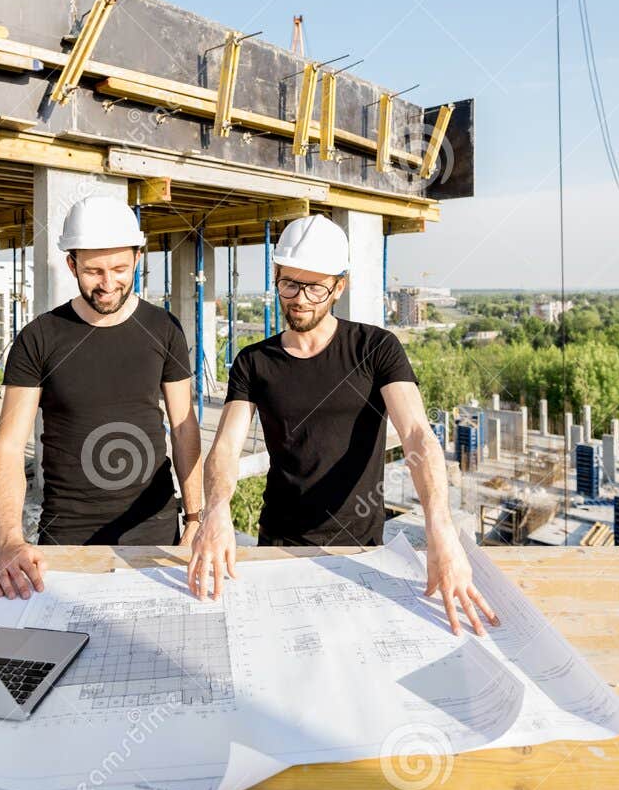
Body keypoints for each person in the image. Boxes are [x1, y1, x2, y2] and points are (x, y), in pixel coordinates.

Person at [188, 214, 499, 636]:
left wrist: (439, 527)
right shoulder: (254, 362)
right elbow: (225, 448)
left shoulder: (376, 349)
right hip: (279, 546)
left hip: (361, 549)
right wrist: (217, 510)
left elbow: (417, 436)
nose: (300, 299)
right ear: (276, 277)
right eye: (290, 284)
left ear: (339, 286)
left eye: (316, 287)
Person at [0, 196, 202, 598]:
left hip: (154, 526)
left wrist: (194, 517)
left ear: (139, 258)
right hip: (67, 531)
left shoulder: (164, 329)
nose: (107, 283)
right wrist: (11, 540)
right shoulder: (39, 338)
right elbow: (9, 447)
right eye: (93, 271)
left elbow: (183, 426)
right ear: (72, 265)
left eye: (120, 268)